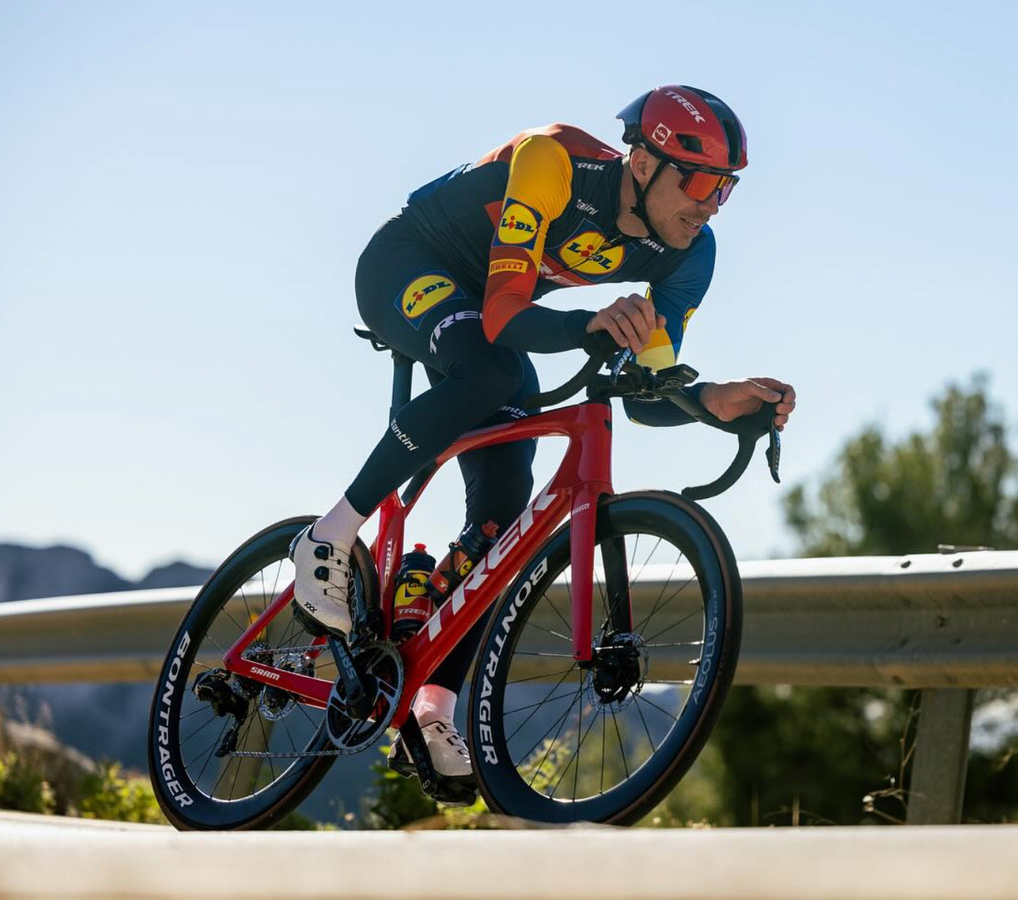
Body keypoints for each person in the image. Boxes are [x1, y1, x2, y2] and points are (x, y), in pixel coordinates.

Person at [288, 85, 796, 801]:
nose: (710, 204)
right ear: (644, 163)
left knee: (503, 509)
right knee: (496, 366)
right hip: (409, 265)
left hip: (488, 317)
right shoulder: (549, 162)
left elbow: (647, 390)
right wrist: (587, 324)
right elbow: (502, 312)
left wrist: (712, 402)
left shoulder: (688, 255)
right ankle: (328, 536)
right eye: (700, 182)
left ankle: (431, 703)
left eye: (726, 190)